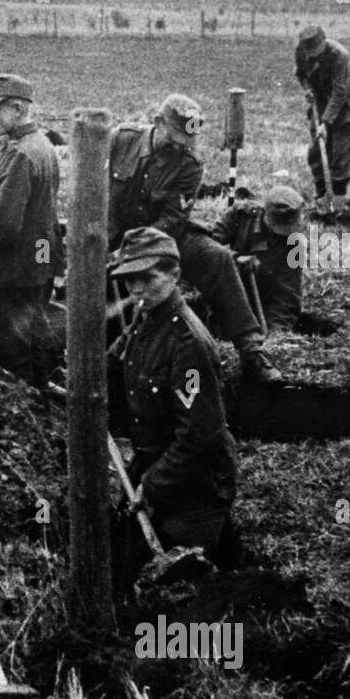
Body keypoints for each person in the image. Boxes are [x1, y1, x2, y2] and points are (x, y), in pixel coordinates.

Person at [107, 94, 280, 382]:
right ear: (157, 122)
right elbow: (93, 194)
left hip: (166, 235)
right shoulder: (120, 139)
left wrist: (140, 251)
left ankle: (251, 351)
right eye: (173, 138)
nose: (178, 147)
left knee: (218, 258)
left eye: (184, 142)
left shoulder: (190, 162)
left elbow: (173, 219)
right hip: (113, 236)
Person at [107, 226, 238, 585]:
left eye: (146, 278)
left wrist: (151, 486)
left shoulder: (187, 344)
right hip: (156, 462)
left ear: (174, 274)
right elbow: (116, 360)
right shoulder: (146, 318)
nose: (135, 290)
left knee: (182, 582)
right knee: (120, 560)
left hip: (195, 482)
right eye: (129, 279)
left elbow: (200, 437)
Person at [0, 73, 61, 387]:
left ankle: (24, 412)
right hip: (39, 259)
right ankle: (40, 400)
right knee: (34, 340)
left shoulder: (20, 154)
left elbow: (5, 225)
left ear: (17, 108)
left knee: (9, 354)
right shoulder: (41, 144)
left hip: (13, 271)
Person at [212, 185, 306, 330]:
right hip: (223, 287)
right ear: (264, 213)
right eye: (277, 226)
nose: (281, 234)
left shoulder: (294, 244)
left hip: (262, 296)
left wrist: (275, 334)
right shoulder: (239, 215)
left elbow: (287, 298)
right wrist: (235, 259)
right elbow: (208, 248)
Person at [295, 25, 350, 211]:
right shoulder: (300, 51)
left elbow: (339, 92)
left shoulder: (338, 55)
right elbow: (300, 74)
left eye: (315, 52)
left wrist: (326, 123)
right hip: (320, 104)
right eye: (308, 52)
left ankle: (338, 201)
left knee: (339, 156)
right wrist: (307, 89)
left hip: (345, 108)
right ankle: (321, 198)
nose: (311, 56)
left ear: (324, 43)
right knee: (316, 153)